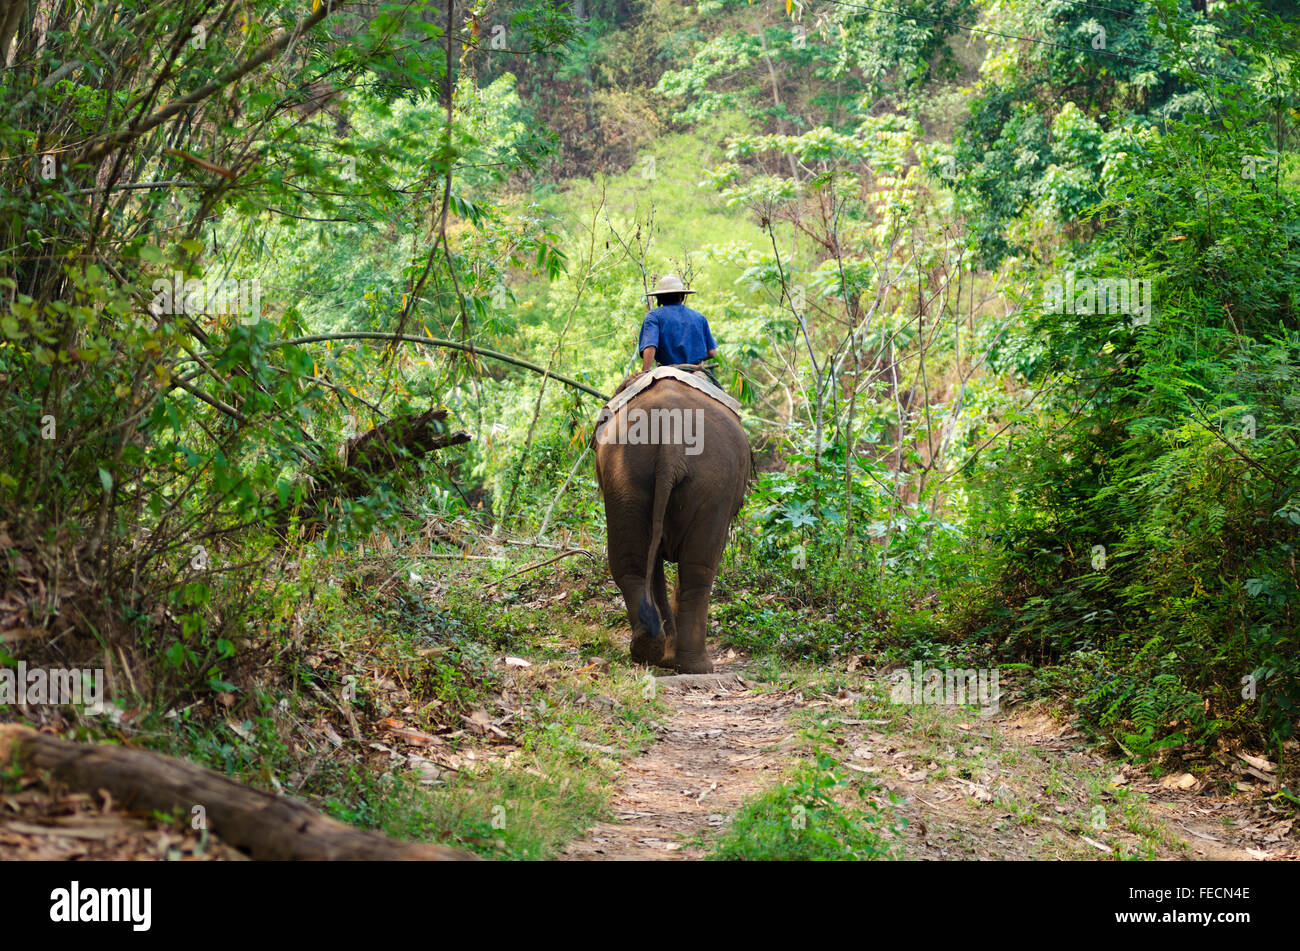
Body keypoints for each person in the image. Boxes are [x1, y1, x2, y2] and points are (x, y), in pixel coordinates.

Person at [637, 274, 717, 373]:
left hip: (666, 371)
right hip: (694, 372)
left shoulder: (653, 316)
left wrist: (645, 372)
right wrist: (692, 359)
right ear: (681, 296)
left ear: (659, 297)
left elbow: (650, 346)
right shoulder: (700, 317)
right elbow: (712, 353)